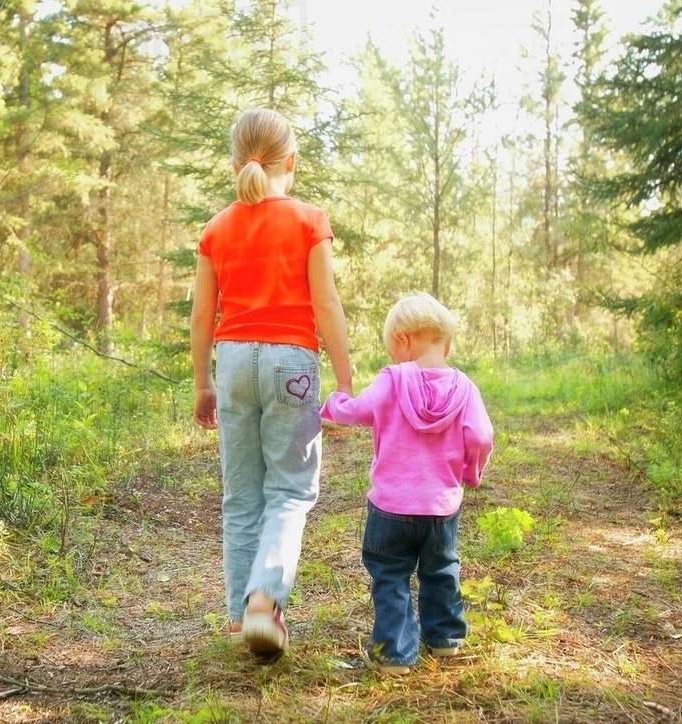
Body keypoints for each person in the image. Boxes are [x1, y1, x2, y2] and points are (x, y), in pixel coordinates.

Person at [190, 108, 353, 657]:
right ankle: (265, 600)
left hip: (232, 361)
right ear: (292, 162)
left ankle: (242, 618)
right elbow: (325, 305)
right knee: (289, 491)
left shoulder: (216, 228)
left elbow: (201, 315)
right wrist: (346, 380)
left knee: (242, 496)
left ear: (236, 164)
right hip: (291, 362)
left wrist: (201, 384)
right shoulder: (309, 220)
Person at [320, 293, 493, 673]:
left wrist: (333, 403)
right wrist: (470, 472)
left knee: (390, 574)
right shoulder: (465, 388)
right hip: (440, 508)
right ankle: (445, 637)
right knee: (441, 568)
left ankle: (395, 653)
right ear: (444, 342)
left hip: (390, 508)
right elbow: (480, 436)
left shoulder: (392, 379)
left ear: (402, 341)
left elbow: (357, 410)